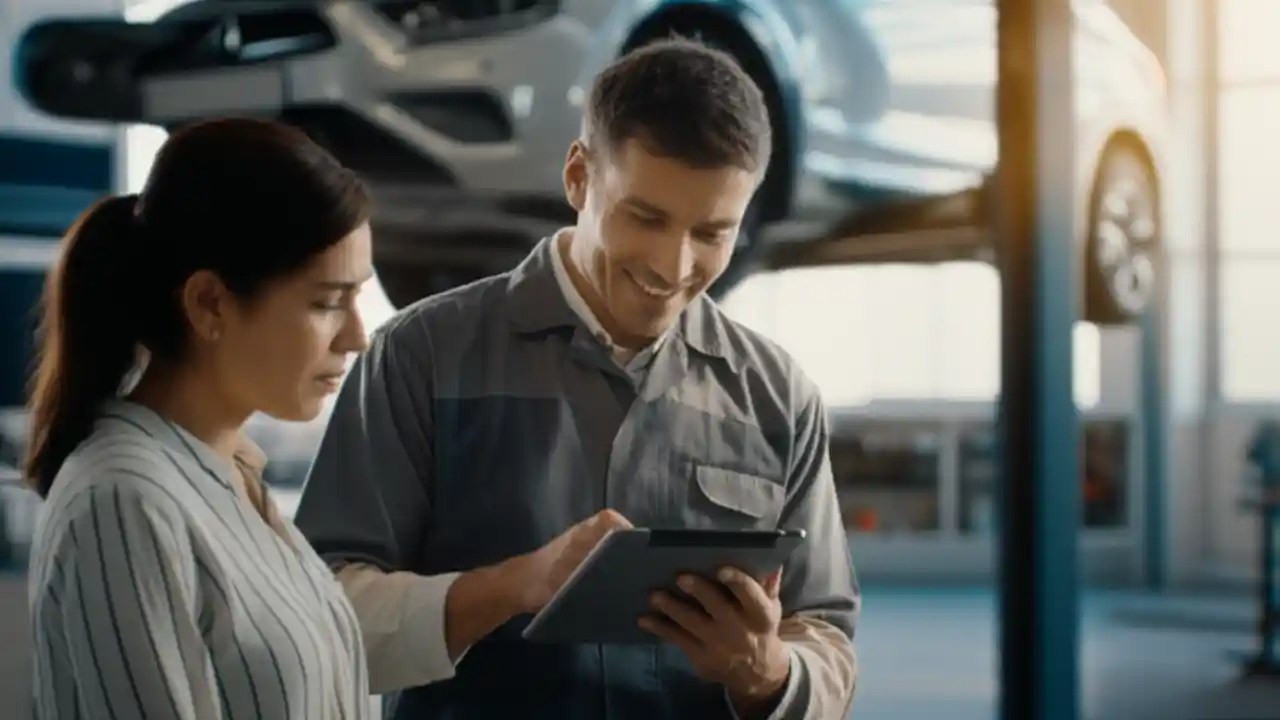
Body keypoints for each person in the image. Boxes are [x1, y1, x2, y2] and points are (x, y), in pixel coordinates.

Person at [295, 38, 860, 719]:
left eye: (712, 232)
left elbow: (825, 635)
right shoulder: (419, 357)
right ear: (578, 177)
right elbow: (320, 613)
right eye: (645, 217)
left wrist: (768, 672)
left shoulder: (780, 396)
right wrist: (509, 586)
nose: (672, 263)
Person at [25, 117, 377, 719]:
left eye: (357, 299)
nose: (357, 338)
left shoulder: (231, 476)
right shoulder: (127, 499)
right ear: (210, 302)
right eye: (325, 303)